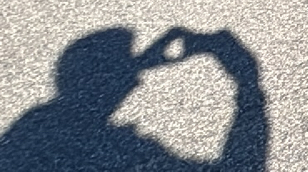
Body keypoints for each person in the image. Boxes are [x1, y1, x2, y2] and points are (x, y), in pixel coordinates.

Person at [0, 26, 268, 170]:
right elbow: (244, 164)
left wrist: (134, 67)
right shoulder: (121, 147)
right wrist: (247, 83)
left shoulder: (34, 128)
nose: (135, 82)